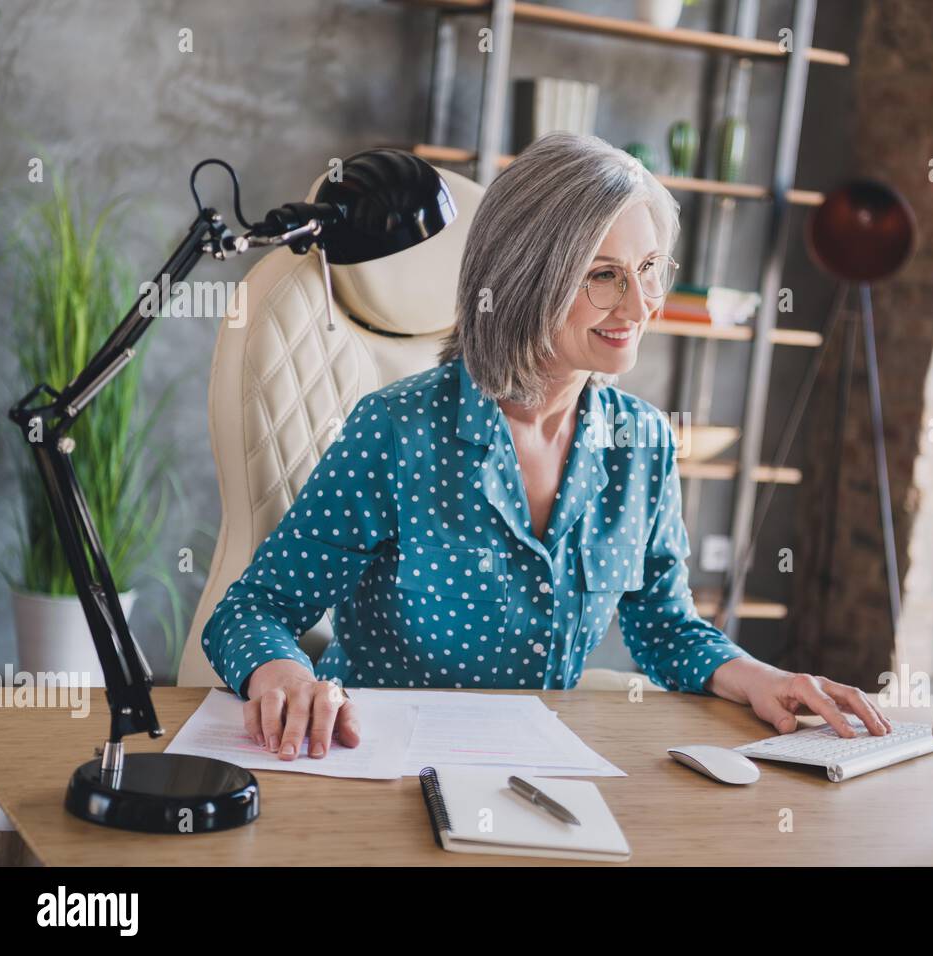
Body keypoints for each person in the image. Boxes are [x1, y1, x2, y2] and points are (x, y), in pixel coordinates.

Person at [202, 132, 891, 760]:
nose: (638, 304)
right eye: (602, 275)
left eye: (649, 267)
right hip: (382, 763)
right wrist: (282, 672)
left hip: (542, 766)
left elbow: (664, 624)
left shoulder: (641, 441)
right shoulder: (398, 430)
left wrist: (762, 676)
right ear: (528, 278)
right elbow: (251, 610)